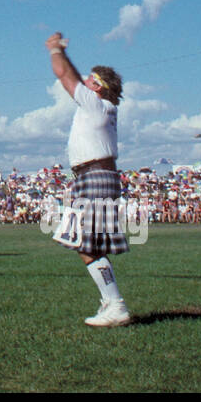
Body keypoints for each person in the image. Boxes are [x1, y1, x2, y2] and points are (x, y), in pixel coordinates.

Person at [46, 32, 131, 327]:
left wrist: (55, 50)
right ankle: (112, 303)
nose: (86, 81)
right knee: (87, 245)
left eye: (91, 79)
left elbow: (62, 75)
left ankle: (115, 305)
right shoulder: (102, 107)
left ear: (99, 87)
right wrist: (65, 54)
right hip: (96, 175)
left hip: (94, 175)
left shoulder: (95, 105)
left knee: (85, 245)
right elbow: (71, 74)